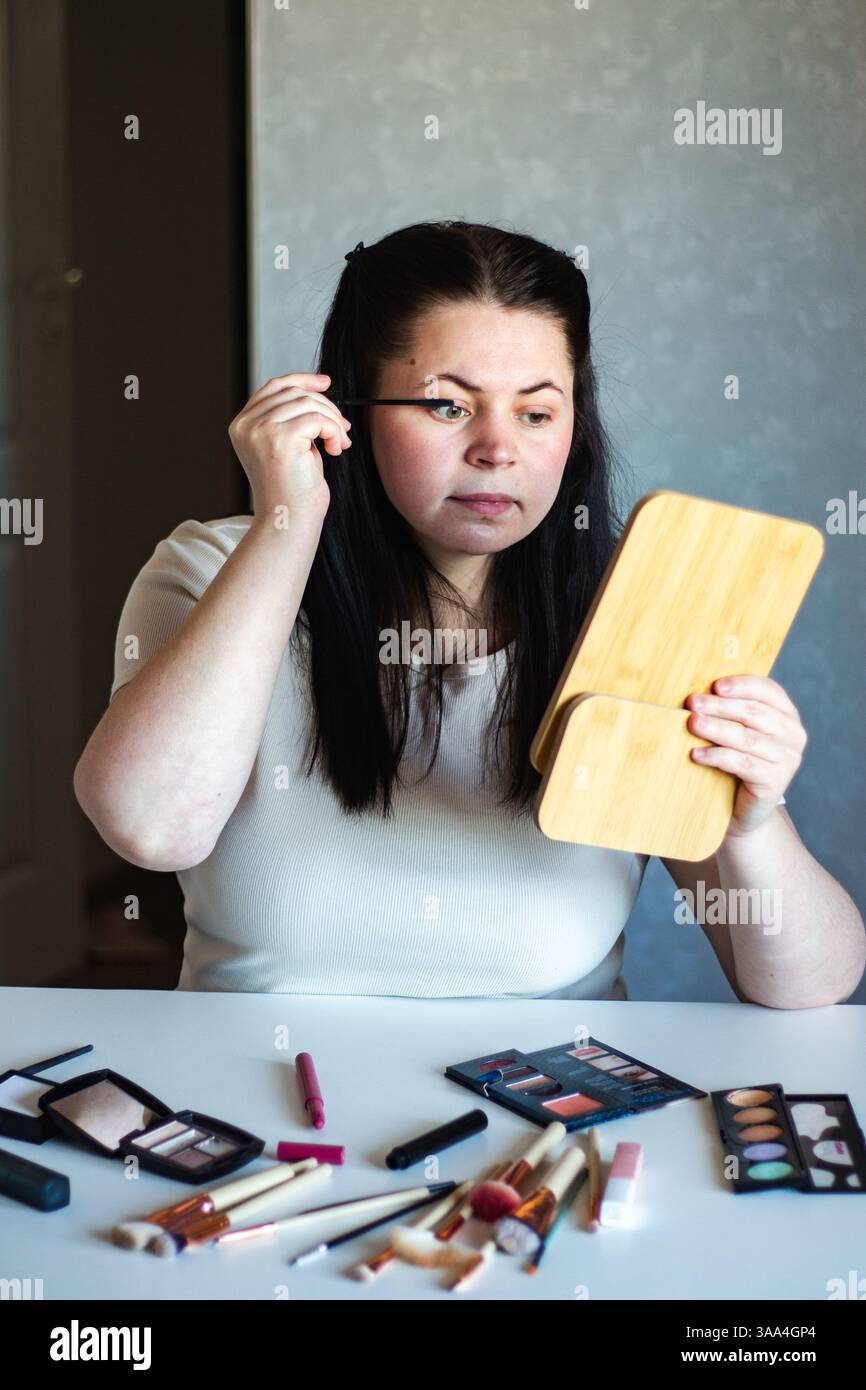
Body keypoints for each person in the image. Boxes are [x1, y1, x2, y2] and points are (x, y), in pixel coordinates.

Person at [73, 220, 865, 1006]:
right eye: (448, 408)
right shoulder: (208, 570)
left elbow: (806, 989)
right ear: (346, 409)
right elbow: (150, 829)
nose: (496, 449)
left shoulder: (641, 612)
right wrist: (291, 521)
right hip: (267, 1104)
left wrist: (754, 823)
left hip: (546, 1119)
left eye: (536, 412)